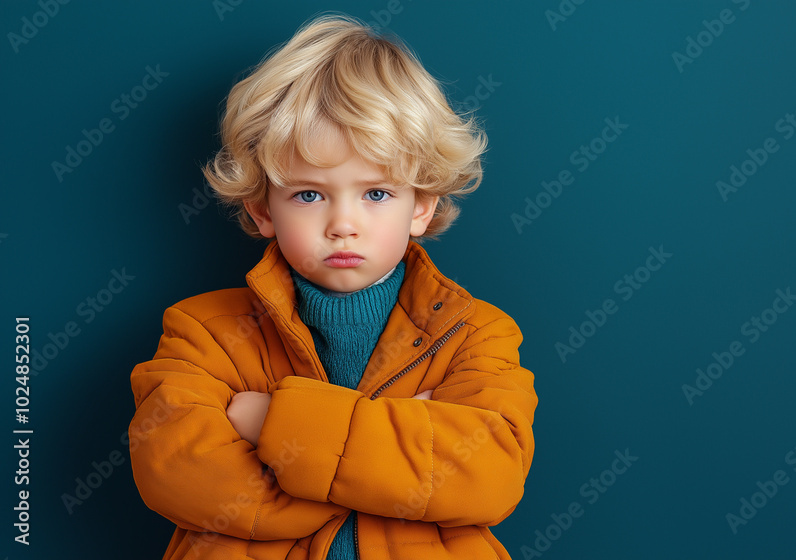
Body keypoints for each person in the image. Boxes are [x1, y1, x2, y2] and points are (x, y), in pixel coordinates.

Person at [128, 13, 537, 560]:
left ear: (421, 204)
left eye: (375, 193)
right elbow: (174, 471)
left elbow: (488, 476)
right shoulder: (202, 331)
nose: (343, 223)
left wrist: (268, 420)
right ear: (261, 207)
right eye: (308, 195)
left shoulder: (476, 334)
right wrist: (389, 468)